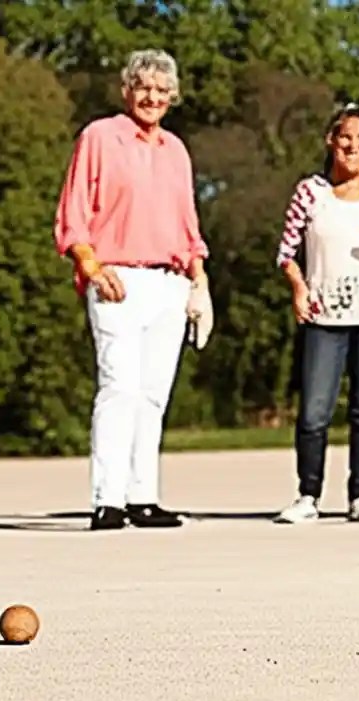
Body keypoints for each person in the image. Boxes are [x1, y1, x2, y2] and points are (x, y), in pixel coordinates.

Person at [53, 49, 212, 532]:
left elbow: (188, 224)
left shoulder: (176, 151)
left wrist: (199, 283)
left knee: (153, 394)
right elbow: (73, 211)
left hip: (169, 281)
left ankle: (144, 496)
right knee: (119, 387)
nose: (152, 97)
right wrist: (91, 265)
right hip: (116, 278)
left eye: (163, 91)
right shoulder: (100, 137)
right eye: (144, 87)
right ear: (127, 91)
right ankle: (108, 499)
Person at [272, 104, 359, 525]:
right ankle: (307, 494)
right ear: (331, 142)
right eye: (346, 138)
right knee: (314, 411)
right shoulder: (310, 193)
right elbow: (286, 253)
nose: (353, 147)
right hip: (324, 316)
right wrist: (299, 288)